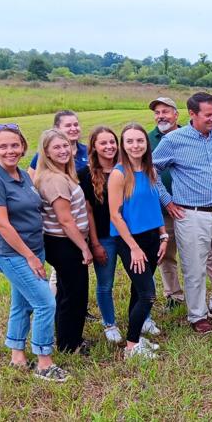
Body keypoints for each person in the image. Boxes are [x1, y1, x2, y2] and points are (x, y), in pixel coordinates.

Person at [153, 92, 212, 334]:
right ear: (192, 114)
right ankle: (197, 315)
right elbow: (151, 170)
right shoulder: (174, 141)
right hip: (190, 214)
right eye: (208, 115)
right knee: (194, 268)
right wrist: (167, 200)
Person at [0, 124, 69, 382]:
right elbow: (2, 224)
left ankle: (17, 356)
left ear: (22, 148)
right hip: (12, 253)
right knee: (44, 302)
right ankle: (44, 363)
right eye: (4, 146)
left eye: (15, 145)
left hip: (35, 248)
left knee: (21, 304)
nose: (10, 150)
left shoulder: (23, 175)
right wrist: (30, 257)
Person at [109, 123, 169, 359]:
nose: (136, 145)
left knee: (138, 290)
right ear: (123, 145)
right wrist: (133, 247)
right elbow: (115, 214)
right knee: (148, 294)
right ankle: (131, 346)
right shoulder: (119, 173)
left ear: (146, 143)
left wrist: (163, 235)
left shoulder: (150, 169)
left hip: (153, 237)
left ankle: (135, 335)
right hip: (130, 241)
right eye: (130, 141)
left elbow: (155, 204)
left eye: (140, 141)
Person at [34, 129, 93, 352]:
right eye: (56, 147)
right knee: (75, 296)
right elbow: (66, 220)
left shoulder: (61, 174)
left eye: (65, 146)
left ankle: (67, 338)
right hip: (64, 244)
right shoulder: (55, 180)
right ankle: (70, 344)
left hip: (63, 243)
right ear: (46, 152)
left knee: (67, 292)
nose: (63, 151)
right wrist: (84, 248)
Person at [79, 127, 126, 343]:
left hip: (127, 235)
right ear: (94, 147)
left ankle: (144, 316)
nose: (109, 147)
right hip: (104, 237)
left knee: (142, 278)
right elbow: (88, 211)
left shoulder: (126, 170)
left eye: (112, 142)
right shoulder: (85, 175)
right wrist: (95, 243)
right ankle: (109, 323)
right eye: (103, 143)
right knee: (105, 283)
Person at [28, 110, 89, 177]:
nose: (74, 128)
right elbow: (30, 180)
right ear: (56, 128)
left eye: (76, 125)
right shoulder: (45, 154)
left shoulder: (88, 150)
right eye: (68, 125)